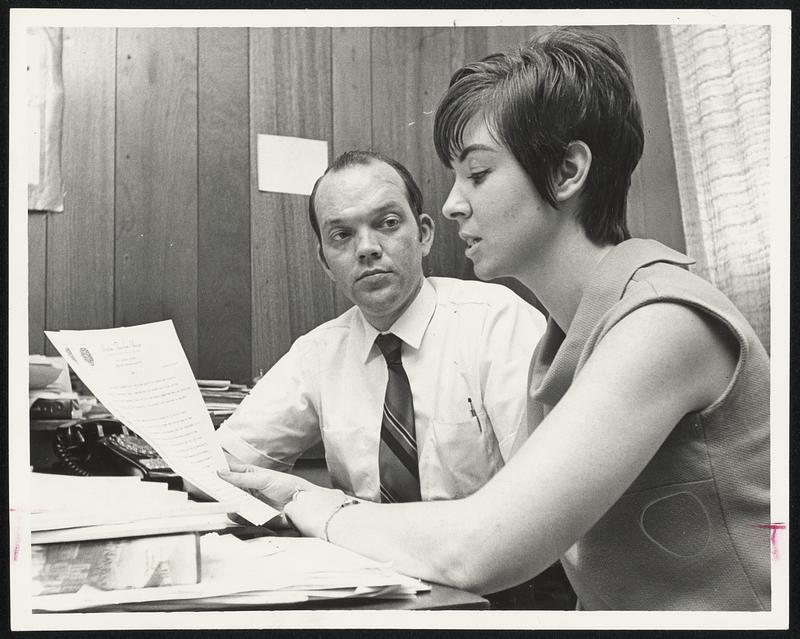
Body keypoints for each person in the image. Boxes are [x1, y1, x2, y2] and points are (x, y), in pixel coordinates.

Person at [220, 28, 770, 611]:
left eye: (477, 174)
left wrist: (308, 501)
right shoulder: (572, 334)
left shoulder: (662, 321)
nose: (455, 202)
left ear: (565, 172)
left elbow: (479, 551)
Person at [218, 149, 547, 503]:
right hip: (365, 556)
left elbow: (542, 496)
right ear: (325, 263)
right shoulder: (319, 353)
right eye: (341, 235)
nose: (367, 248)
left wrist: (321, 502)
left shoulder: (497, 321)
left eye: (387, 223)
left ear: (423, 234)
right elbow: (221, 466)